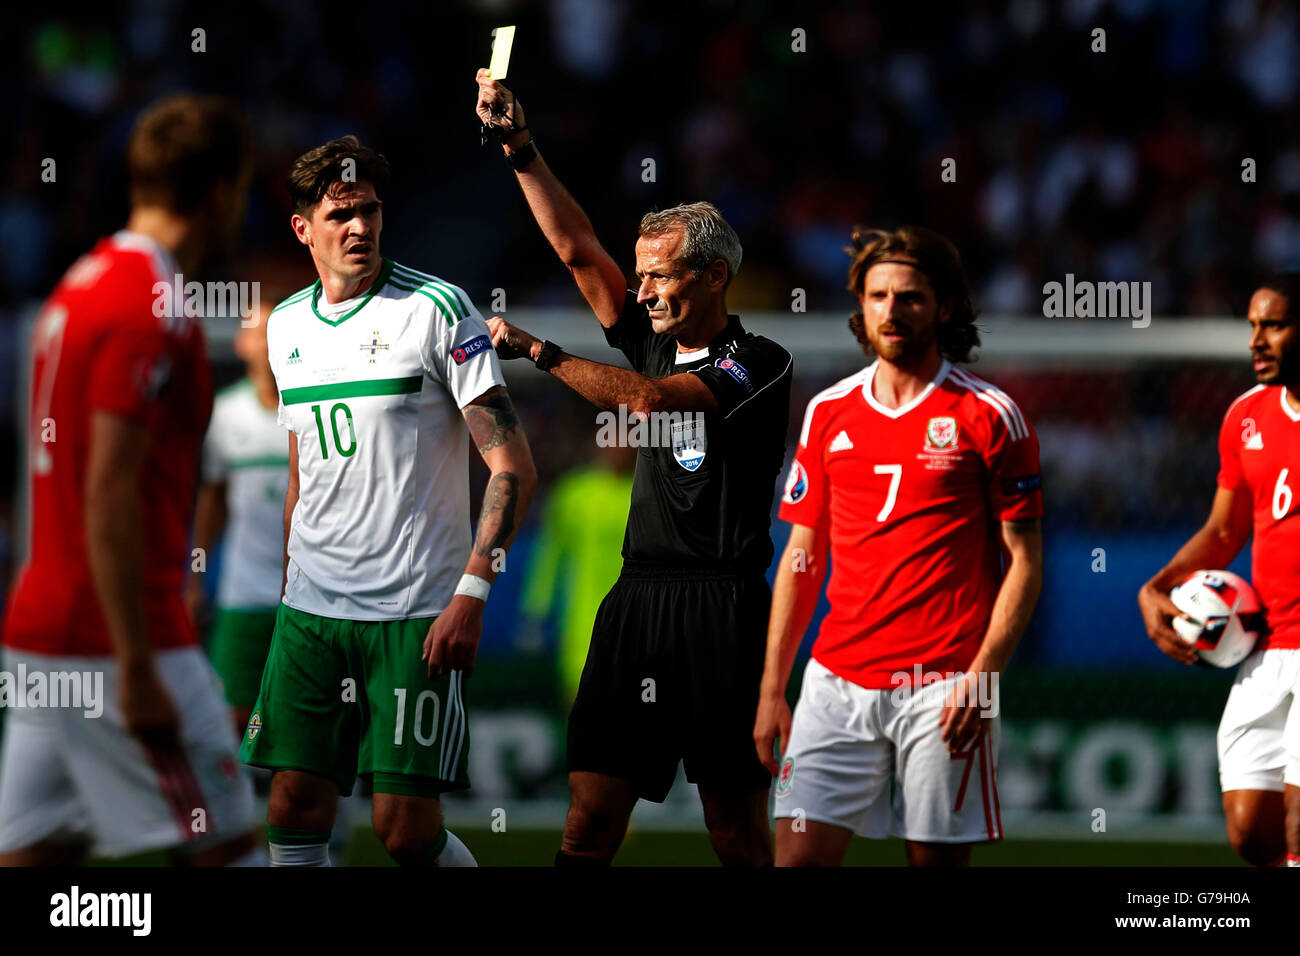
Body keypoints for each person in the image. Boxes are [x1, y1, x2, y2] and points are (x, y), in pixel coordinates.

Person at [477, 70, 793, 866]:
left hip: (722, 607)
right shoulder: (649, 334)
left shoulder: (761, 361)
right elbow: (577, 247)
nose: (642, 289)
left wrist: (540, 352)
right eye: (641, 273)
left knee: (734, 830)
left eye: (659, 274)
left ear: (713, 276)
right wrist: (518, 145)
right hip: (637, 601)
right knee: (587, 824)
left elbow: (653, 403)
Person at [240, 135, 537, 867]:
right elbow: (302, 470)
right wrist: (288, 590)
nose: (360, 227)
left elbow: (512, 466)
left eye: (370, 210)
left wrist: (472, 592)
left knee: (404, 829)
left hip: (414, 614)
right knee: (292, 806)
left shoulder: (437, 310)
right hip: (312, 613)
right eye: (341, 214)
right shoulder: (285, 328)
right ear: (303, 227)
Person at [0, 94, 261, 866]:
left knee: (31, 858)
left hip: (40, 631)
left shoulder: (77, 284)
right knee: (231, 849)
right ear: (220, 191)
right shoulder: (153, 308)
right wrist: (137, 665)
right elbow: (107, 493)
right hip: (117, 638)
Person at [754, 226, 1044, 867]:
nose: (892, 309)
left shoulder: (991, 414)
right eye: (878, 295)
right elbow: (803, 558)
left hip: (945, 683)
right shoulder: (828, 411)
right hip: (835, 681)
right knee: (794, 861)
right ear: (861, 305)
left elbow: (1025, 560)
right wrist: (774, 686)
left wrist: (985, 676)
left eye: (910, 297)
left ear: (943, 307)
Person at [1138, 274, 1300, 867]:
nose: (1257, 341)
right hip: (1265, 646)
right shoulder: (1245, 417)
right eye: (1253, 326)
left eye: (1275, 325)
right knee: (1250, 832)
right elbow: (1225, 531)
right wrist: (1159, 586)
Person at [519, 443, 636, 709]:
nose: (619, 448)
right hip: (583, 625)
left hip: (637, 622)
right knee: (581, 712)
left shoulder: (645, 491)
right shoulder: (573, 494)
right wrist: (535, 610)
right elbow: (551, 555)